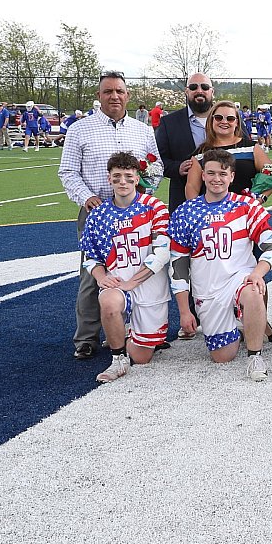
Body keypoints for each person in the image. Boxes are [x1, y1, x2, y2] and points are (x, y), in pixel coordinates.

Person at [58, 71, 162, 361]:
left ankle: (141, 331)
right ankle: (87, 337)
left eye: (119, 91)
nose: (114, 96)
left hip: (135, 214)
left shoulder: (142, 130)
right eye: (108, 92)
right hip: (97, 212)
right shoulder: (80, 129)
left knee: (141, 270)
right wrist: (86, 198)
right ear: (99, 96)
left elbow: (156, 168)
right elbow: (67, 171)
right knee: (94, 275)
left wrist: (145, 194)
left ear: (127, 95)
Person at [169, 148, 272, 381]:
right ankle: (242, 324)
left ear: (231, 176)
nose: (216, 179)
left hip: (239, 278)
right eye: (210, 173)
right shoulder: (186, 212)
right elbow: (178, 264)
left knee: (252, 291)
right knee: (223, 355)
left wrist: (258, 274)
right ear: (203, 176)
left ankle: (255, 356)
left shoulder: (247, 206)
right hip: (208, 289)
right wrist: (184, 310)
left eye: (222, 173)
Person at [78, 152, 172, 383]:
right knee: (108, 302)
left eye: (128, 176)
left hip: (150, 287)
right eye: (117, 176)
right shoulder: (98, 214)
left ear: (137, 178)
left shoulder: (154, 207)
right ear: (109, 179)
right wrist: (101, 277)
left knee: (141, 357)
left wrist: (134, 282)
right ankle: (117, 359)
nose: (122, 181)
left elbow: (162, 251)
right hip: (118, 282)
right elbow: (90, 257)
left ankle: (127, 333)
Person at [155, 74, 216, 216]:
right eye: (193, 87)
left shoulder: (229, 120)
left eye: (205, 87)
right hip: (182, 201)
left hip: (223, 201)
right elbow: (158, 160)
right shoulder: (169, 123)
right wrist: (178, 168)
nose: (199, 91)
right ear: (186, 91)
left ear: (212, 91)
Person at [185, 99, 270, 201]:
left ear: (237, 122)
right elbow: (192, 187)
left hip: (245, 214)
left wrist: (259, 200)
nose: (224, 122)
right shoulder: (200, 153)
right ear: (211, 120)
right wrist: (199, 211)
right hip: (212, 214)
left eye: (230, 118)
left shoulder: (252, 148)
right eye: (218, 118)